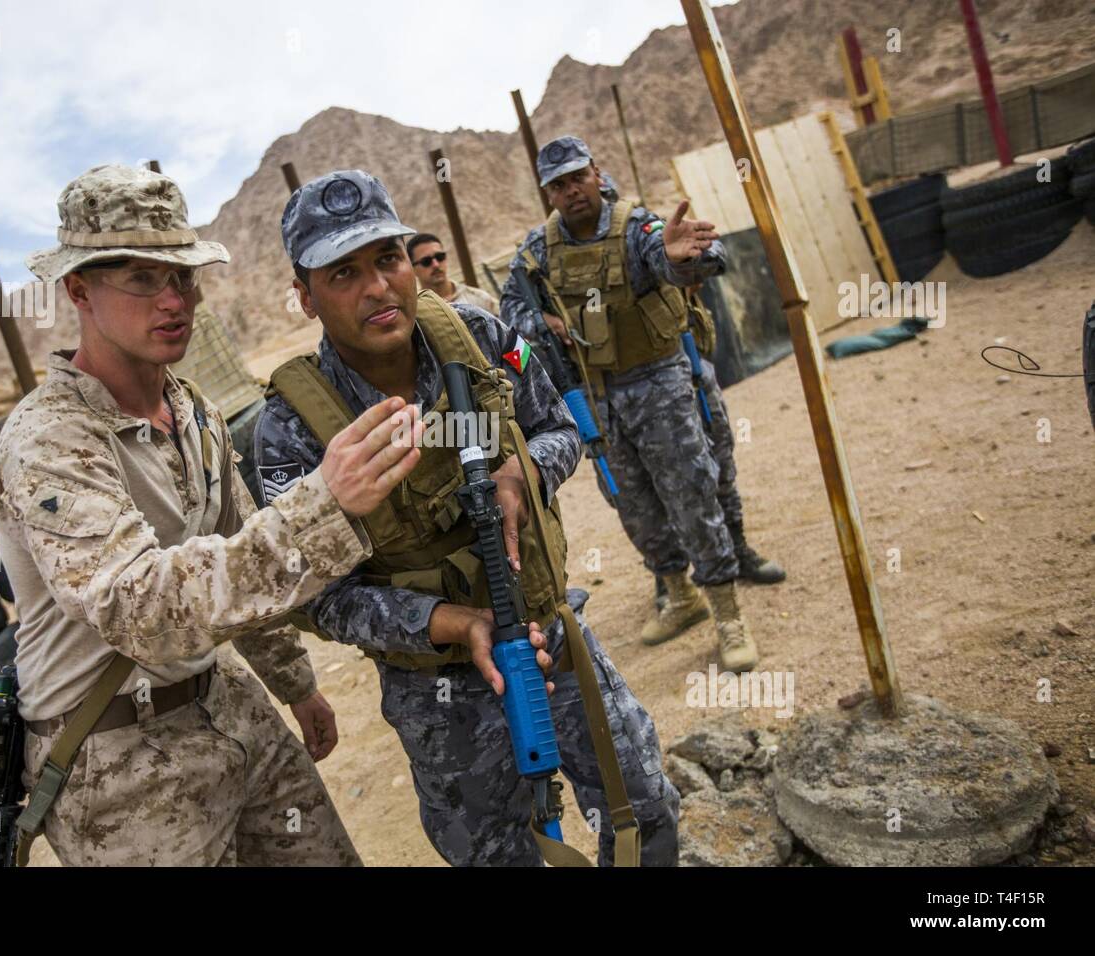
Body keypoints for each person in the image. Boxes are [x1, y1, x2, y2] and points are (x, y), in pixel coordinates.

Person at [0, 163, 423, 866]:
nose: (174, 300)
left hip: (224, 706)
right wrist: (324, 503)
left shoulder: (193, 411)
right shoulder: (48, 444)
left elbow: (234, 543)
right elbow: (143, 607)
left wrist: (295, 685)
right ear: (79, 290)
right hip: (114, 759)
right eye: (142, 278)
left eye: (183, 276)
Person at [254, 169, 680, 866]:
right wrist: (448, 623)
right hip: (439, 690)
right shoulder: (293, 426)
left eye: (388, 259)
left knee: (644, 808)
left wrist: (527, 469)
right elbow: (318, 597)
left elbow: (559, 425)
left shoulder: (477, 333)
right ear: (305, 298)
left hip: (548, 633)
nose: (378, 288)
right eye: (343, 274)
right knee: (493, 855)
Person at [500, 136, 769, 668]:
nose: (571, 190)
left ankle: (728, 614)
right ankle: (680, 594)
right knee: (632, 502)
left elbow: (691, 258)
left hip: (660, 380)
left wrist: (682, 260)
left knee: (691, 491)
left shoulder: (637, 227)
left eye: (578, 176)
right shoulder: (537, 250)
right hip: (595, 394)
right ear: (548, 193)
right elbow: (510, 315)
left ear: (597, 172)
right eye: (559, 184)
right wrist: (545, 322)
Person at [407, 232, 499, 312]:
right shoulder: (416, 312)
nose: (436, 265)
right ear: (413, 269)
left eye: (440, 257)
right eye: (426, 261)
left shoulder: (480, 299)